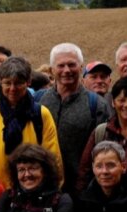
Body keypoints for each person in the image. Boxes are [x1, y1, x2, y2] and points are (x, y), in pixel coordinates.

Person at [0, 57, 62, 190]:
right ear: (0, 82)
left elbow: (53, 158)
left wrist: (52, 190)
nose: (12, 88)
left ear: (28, 82)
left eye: (18, 83)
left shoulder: (41, 115)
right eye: (7, 83)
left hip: (32, 192)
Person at [39, 43, 111, 196]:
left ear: (81, 68)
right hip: (44, 188)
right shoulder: (40, 101)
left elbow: (103, 150)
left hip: (82, 191)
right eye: (61, 65)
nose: (67, 70)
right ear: (52, 70)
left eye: (72, 65)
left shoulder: (97, 105)